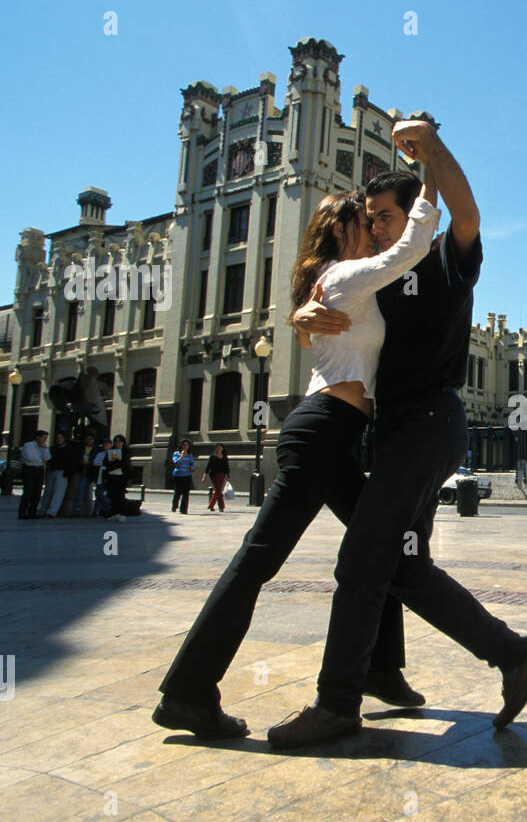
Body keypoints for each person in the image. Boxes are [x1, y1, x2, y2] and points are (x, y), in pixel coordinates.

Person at [274, 120, 527, 748]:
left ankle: (337, 703)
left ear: (411, 215)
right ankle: (510, 656)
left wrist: (432, 148)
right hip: (393, 431)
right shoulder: (375, 277)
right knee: (404, 564)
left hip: (429, 423)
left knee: (362, 557)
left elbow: (468, 210)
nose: (373, 226)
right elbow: (328, 313)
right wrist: (298, 316)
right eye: (368, 217)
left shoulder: (445, 263)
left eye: (383, 215)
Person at [156, 175, 438, 741]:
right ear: (339, 229)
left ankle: (381, 669)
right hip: (322, 432)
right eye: (364, 218)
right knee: (258, 560)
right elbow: (414, 245)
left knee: (376, 544)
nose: (374, 224)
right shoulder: (346, 274)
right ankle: (188, 691)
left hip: (330, 431)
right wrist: (429, 172)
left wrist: (297, 319)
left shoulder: (339, 282)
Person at [37, 431, 78, 517]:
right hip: (52, 471)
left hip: (62, 472)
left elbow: (72, 462)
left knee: (58, 492)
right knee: (48, 492)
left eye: (60, 437)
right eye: (57, 438)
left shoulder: (69, 449)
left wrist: (67, 473)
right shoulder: (53, 448)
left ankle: (52, 512)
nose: (59, 439)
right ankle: (43, 510)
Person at [18, 431, 49, 519]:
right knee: (28, 491)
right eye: (44, 437)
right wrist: (40, 461)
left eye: (46, 438)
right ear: (38, 437)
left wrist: (45, 449)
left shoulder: (43, 447)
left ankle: (33, 511)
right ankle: (23, 512)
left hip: (39, 469)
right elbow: (29, 458)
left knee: (37, 492)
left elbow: (47, 458)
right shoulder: (28, 445)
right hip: (29, 469)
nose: (45, 440)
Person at [102, 435, 130, 521]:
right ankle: (114, 512)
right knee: (112, 495)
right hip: (111, 475)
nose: (118, 443)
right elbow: (106, 462)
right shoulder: (110, 451)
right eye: (116, 441)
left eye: (120, 441)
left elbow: (124, 464)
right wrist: (115, 464)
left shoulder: (125, 452)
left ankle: (122, 513)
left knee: (120, 495)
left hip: (121, 476)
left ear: (123, 442)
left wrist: (115, 463)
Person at [71, 432, 98, 515]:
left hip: (92, 471)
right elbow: (76, 458)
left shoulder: (97, 449)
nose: (89, 441)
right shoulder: (81, 448)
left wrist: (92, 463)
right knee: (80, 489)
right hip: (82, 470)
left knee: (91, 491)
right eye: (87, 439)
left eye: (91, 439)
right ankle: (77, 509)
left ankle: (91, 510)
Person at [202, 444, 230, 513]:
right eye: (218, 447)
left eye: (221, 447)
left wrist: (228, 475)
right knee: (218, 490)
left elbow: (227, 467)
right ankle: (221, 506)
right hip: (214, 475)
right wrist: (204, 476)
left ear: (223, 449)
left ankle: (211, 505)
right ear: (216, 448)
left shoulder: (224, 457)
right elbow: (208, 466)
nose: (219, 449)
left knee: (218, 490)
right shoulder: (212, 457)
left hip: (222, 475)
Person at [171, 440, 196, 514]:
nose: (185, 447)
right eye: (184, 445)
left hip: (187, 475)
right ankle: (175, 506)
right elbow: (176, 463)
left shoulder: (190, 455)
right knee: (177, 492)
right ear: (181, 446)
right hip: (178, 475)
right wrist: (182, 456)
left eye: (187, 445)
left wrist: (191, 468)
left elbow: (192, 464)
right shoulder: (176, 454)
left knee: (186, 493)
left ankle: (184, 509)